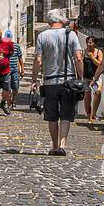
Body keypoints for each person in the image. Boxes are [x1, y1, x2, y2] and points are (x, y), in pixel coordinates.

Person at [32, 10, 83, 155]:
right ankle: (62, 145)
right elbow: (78, 58)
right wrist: (81, 78)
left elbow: (38, 60)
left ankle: (54, 146)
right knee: (66, 115)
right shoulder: (70, 34)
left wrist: (34, 80)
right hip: (69, 81)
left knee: (52, 116)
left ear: (49, 22)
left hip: (49, 82)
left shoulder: (42, 36)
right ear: (61, 20)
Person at [83, 33, 103, 122]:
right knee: (87, 96)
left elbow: (100, 64)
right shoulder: (83, 52)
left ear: (94, 44)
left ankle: (93, 113)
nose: (88, 44)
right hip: (86, 78)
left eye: (90, 42)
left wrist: (91, 57)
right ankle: (89, 116)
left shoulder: (98, 52)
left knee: (97, 93)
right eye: (87, 42)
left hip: (96, 78)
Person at [5, 30, 23, 112]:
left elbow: (20, 58)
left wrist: (22, 69)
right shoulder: (3, 46)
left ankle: (13, 100)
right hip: (6, 70)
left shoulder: (16, 46)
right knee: (7, 88)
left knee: (15, 87)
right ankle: (9, 104)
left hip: (15, 70)